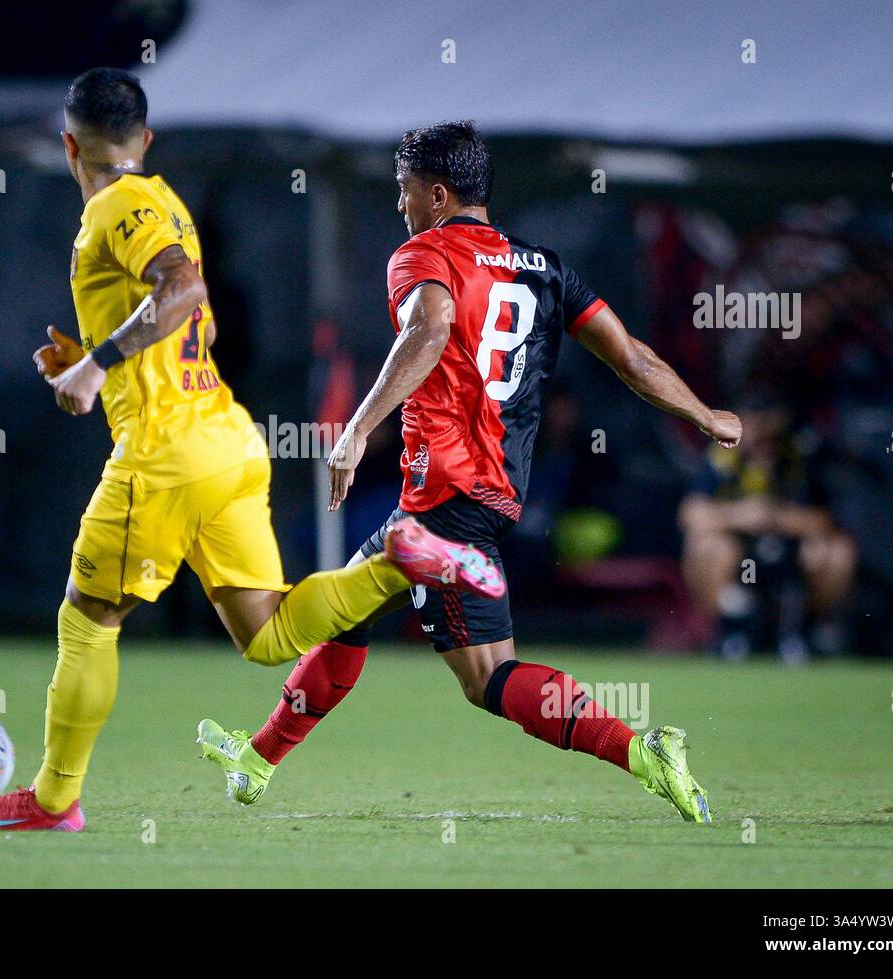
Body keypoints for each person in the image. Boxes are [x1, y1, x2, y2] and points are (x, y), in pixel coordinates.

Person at [0, 75, 500, 833]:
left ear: (68, 145)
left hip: (166, 452)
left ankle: (52, 801)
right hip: (226, 440)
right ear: (145, 141)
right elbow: (196, 327)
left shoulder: (118, 204)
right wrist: (91, 353)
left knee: (88, 618)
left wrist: (94, 365)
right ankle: (399, 561)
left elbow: (182, 290)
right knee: (270, 635)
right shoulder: (165, 202)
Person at [198, 121, 743, 823]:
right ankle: (258, 758)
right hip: (488, 492)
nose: (400, 207)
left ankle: (641, 750)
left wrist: (358, 428)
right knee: (350, 619)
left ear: (435, 193)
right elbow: (632, 358)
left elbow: (430, 328)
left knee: (488, 678)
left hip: (445, 498)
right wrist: (706, 415)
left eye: (403, 193)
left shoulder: (422, 253)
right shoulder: (545, 268)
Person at [679, 399, 856, 661]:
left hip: (789, 550)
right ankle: (729, 627)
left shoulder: (797, 459)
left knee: (835, 551)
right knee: (708, 546)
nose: (766, 443)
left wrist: (773, 517)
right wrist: (740, 516)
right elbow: (690, 514)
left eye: (772, 435)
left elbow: (823, 519)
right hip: (739, 549)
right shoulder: (722, 458)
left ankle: (809, 626)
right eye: (758, 433)